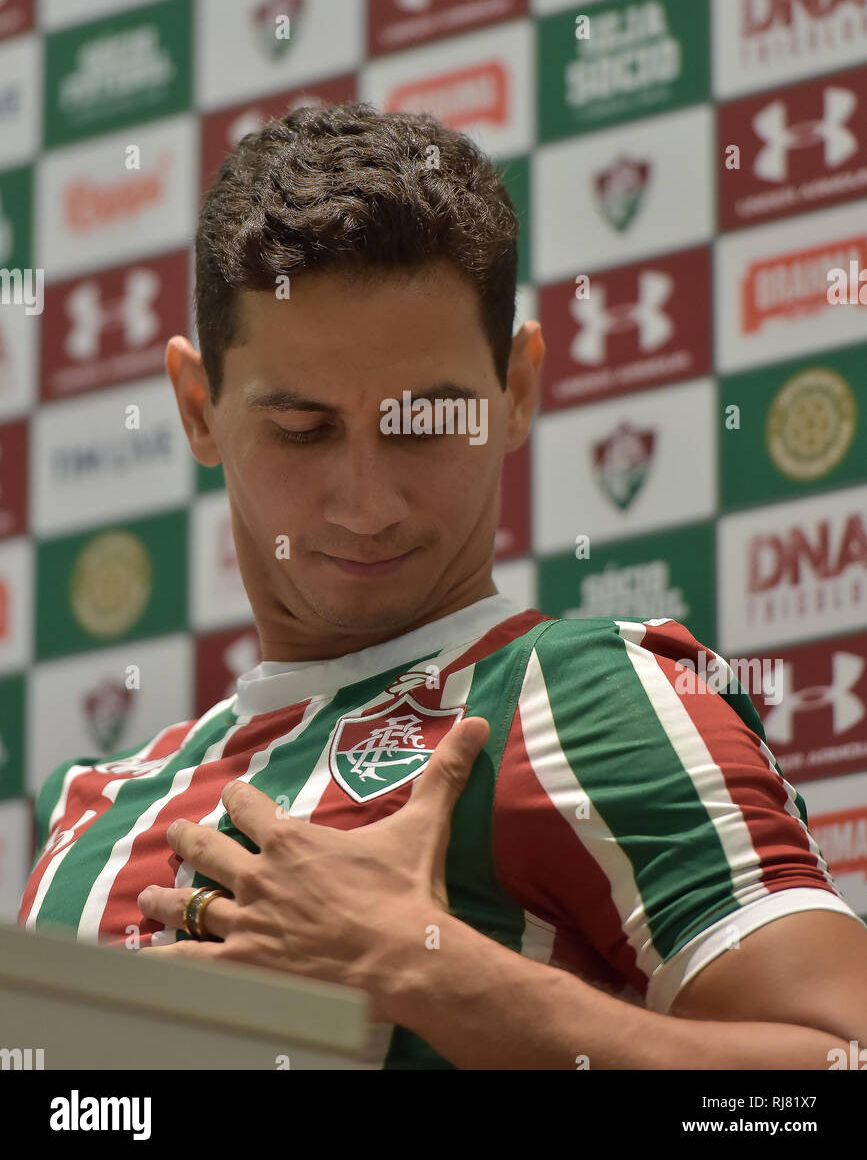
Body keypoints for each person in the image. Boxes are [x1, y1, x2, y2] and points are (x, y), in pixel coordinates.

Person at [19, 103, 867, 1070]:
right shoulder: (90, 811)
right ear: (197, 410)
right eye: (302, 428)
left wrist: (427, 971)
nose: (367, 501)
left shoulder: (586, 695)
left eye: (425, 422)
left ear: (517, 389)